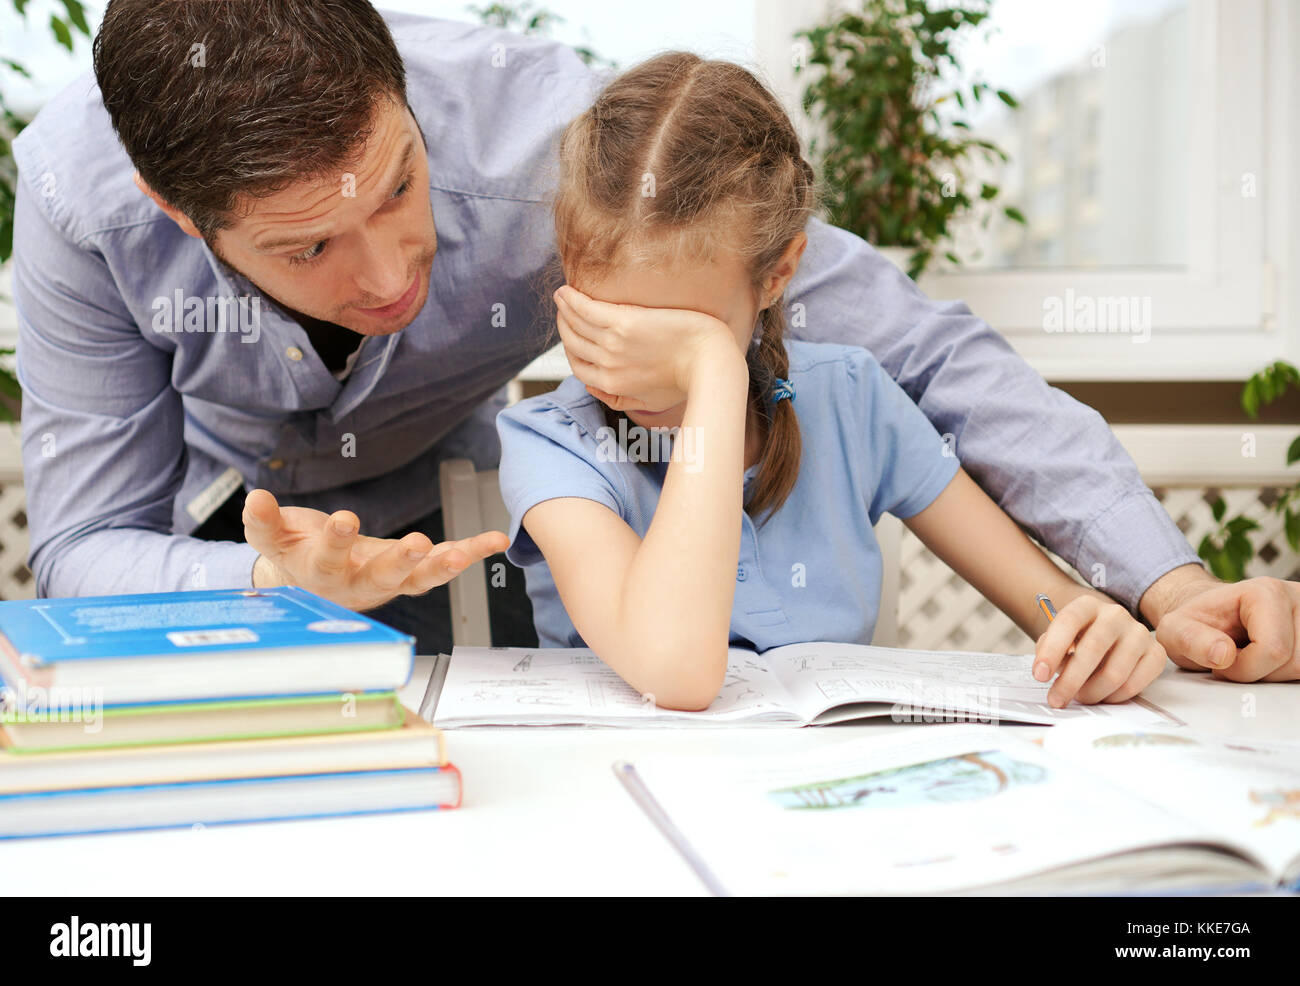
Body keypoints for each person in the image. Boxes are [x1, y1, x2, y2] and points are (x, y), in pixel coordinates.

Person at [9, 2, 1297, 678]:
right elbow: (77, 546)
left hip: (466, 516)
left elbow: (925, 353)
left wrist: (1164, 586)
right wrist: (263, 582)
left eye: (404, 187)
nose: (393, 273)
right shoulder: (81, 201)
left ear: (399, 85)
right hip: (238, 536)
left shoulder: (561, 147)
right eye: (307, 250)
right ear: (178, 215)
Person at [497, 52, 1172, 710]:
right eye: (614, 319)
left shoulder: (853, 399)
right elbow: (676, 673)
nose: (636, 361)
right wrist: (712, 363)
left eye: (681, 328)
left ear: (777, 275)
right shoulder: (551, 444)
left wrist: (1095, 630)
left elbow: (1051, 603)